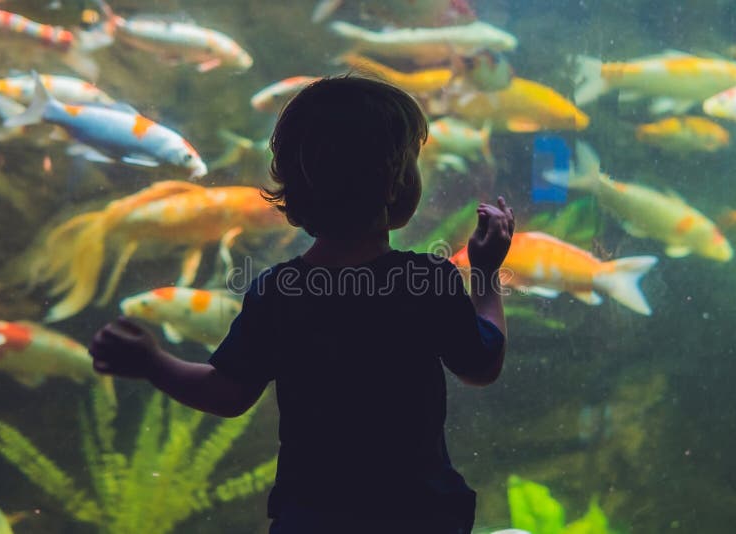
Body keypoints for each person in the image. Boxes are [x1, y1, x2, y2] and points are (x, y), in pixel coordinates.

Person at [89, 76, 514, 534]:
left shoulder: (278, 291)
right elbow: (482, 364)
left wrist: (152, 362)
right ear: (393, 184)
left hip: (312, 518)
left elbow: (226, 393)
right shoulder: (426, 281)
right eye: (412, 162)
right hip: (417, 514)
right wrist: (486, 274)